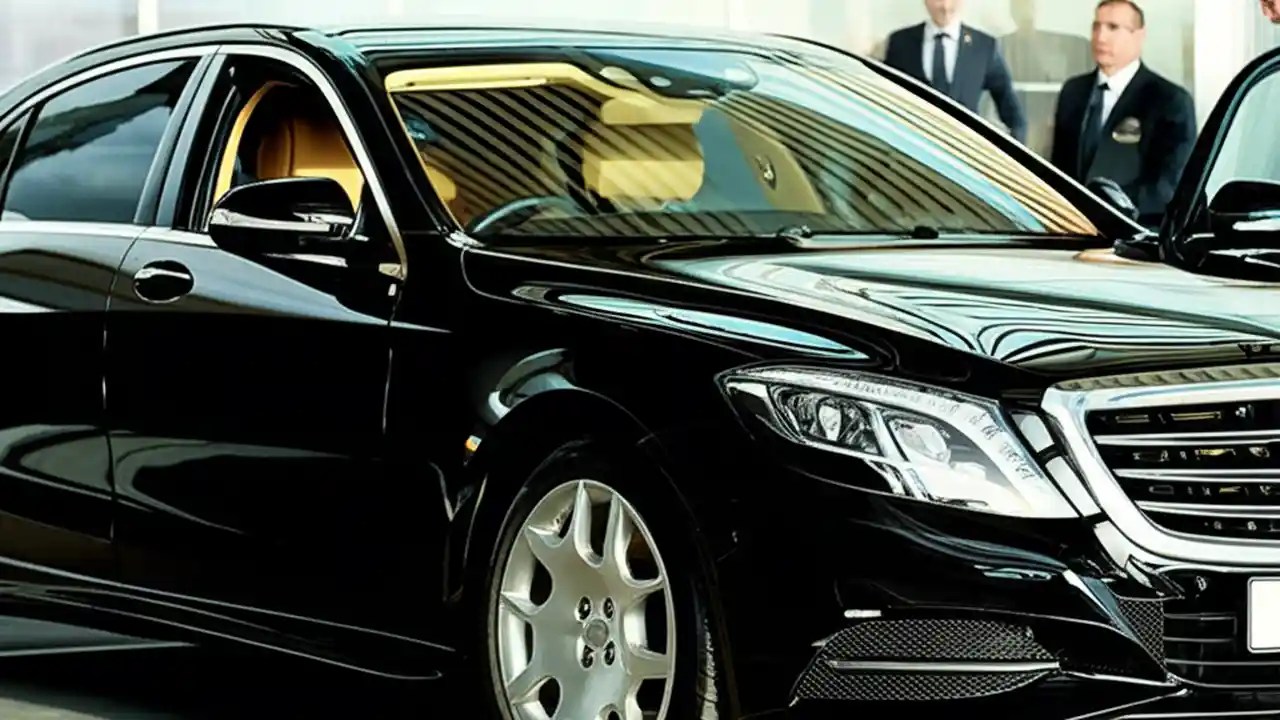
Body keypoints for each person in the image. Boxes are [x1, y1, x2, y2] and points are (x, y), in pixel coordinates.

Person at [1050, 0, 1196, 227]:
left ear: (1139, 35)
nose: (1101, 37)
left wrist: (1106, 209)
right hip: (1073, 231)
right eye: (1096, 26)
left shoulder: (1169, 100)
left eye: (1113, 27)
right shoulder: (1073, 92)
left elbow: (1168, 185)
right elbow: (1059, 168)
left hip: (1136, 235)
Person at [883, 0, 1027, 142]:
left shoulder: (984, 47)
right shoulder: (900, 43)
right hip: (913, 150)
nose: (946, 7)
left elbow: (1014, 116)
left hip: (964, 155)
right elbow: (885, 103)